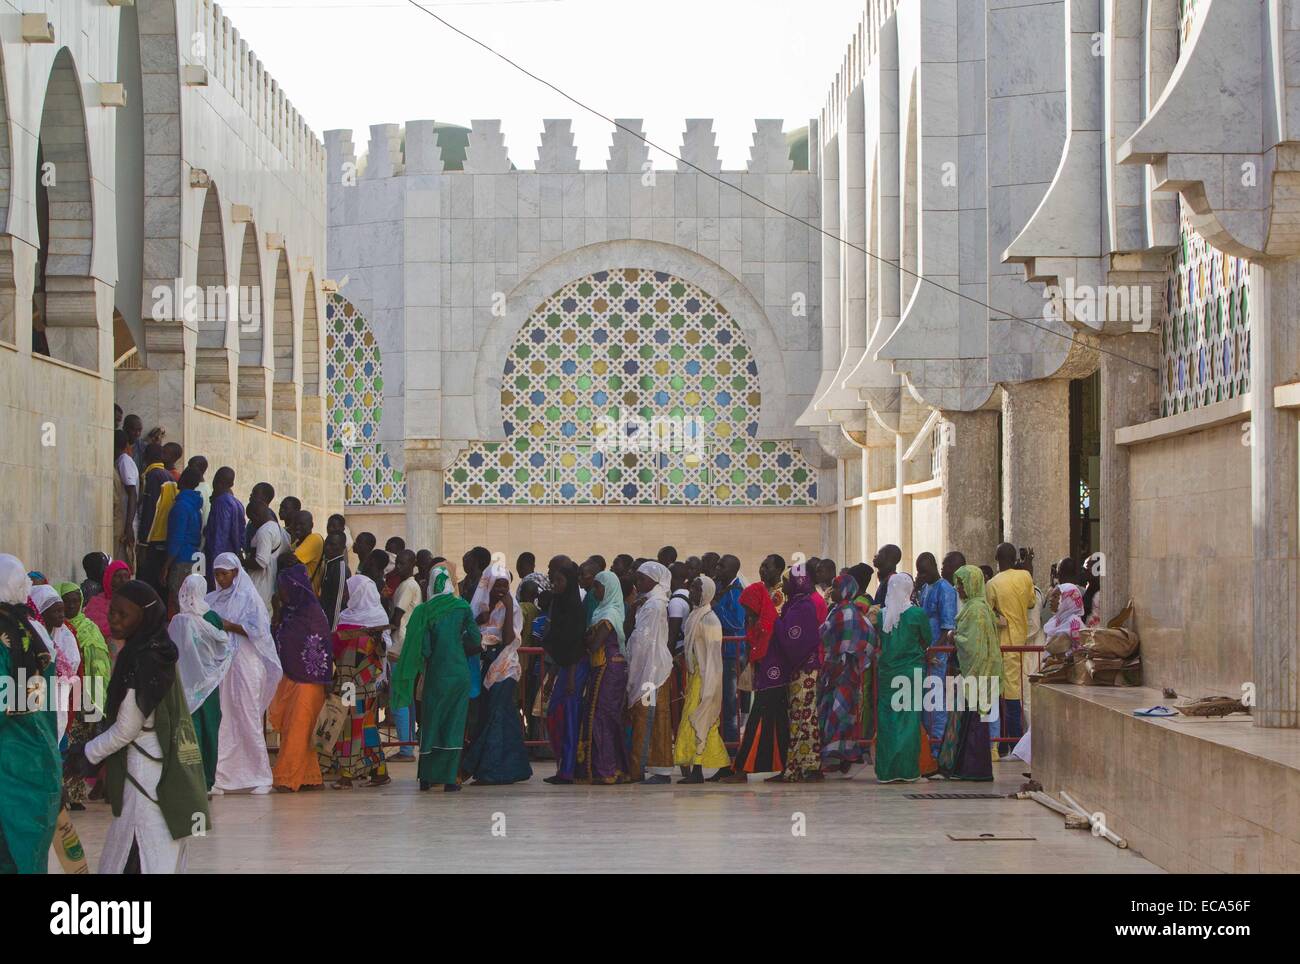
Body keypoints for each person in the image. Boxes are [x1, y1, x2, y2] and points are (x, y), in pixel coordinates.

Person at [66, 580, 209, 873]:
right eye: (112, 613)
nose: (113, 620)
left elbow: (126, 729)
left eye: (123, 614)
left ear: (144, 616)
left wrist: (87, 754)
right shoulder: (155, 650)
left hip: (146, 776)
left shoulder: (145, 659)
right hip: (150, 771)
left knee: (143, 851)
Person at [392, 566, 482, 792]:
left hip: (436, 675)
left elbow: (424, 648)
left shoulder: (425, 611)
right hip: (459, 674)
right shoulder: (461, 607)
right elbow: (476, 638)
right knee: (454, 723)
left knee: (432, 721)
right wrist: (458, 648)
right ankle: (450, 779)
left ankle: (426, 777)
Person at [207, 553, 282, 794]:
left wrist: (229, 625)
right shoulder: (212, 599)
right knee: (224, 718)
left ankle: (259, 775)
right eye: (217, 573)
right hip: (222, 666)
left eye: (224, 573)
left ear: (236, 573)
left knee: (247, 716)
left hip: (246, 664)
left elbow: (260, 630)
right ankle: (221, 776)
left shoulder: (250, 598)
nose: (220, 578)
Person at [461, 564, 532, 784]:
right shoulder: (478, 606)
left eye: (505, 584)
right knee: (498, 716)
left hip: (505, 666)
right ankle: (514, 768)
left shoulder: (513, 607)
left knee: (496, 713)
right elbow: (467, 634)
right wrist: (483, 618)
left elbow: (510, 639)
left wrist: (509, 608)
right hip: (482, 665)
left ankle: (488, 770)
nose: (501, 589)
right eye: (497, 584)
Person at [268, 562, 333, 792]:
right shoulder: (288, 612)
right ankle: (309, 777)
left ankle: (287, 778)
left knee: (298, 730)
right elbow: (276, 638)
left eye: (285, 589)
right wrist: (277, 610)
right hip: (290, 678)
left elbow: (322, 648)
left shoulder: (312, 613)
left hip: (309, 682)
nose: (282, 594)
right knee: (297, 731)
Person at [721, 559, 788, 783]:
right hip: (766, 664)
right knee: (773, 717)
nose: (762, 569)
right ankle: (773, 766)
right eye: (761, 565)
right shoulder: (760, 598)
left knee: (762, 715)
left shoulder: (778, 597)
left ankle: (743, 768)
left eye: (767, 566)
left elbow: (770, 627)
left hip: (774, 666)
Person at [169, 573, 234, 792]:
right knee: (209, 729)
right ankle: (206, 781)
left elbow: (172, 654)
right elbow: (221, 649)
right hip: (208, 685)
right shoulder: (212, 618)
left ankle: (188, 779)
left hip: (185, 686)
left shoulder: (177, 621)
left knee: (188, 729)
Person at [937, 565, 1002, 781]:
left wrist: (953, 637)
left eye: (961, 583)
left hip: (976, 674)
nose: (958, 588)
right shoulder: (976, 607)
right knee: (969, 722)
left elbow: (972, 644)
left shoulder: (976, 610)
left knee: (974, 723)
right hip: (974, 674)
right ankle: (964, 767)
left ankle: (974, 769)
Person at [326, 575, 392, 788]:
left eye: (348, 590)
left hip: (365, 681)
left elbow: (384, 649)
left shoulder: (377, 616)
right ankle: (378, 770)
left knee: (356, 726)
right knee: (357, 726)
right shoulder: (345, 615)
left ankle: (347, 774)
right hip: (346, 680)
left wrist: (376, 639)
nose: (345, 595)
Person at [871, 572, 932, 783]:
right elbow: (928, 638)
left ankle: (886, 771)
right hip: (910, 672)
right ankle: (908, 771)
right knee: (909, 721)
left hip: (887, 673)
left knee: (887, 721)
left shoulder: (881, 615)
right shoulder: (917, 614)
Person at [55, 582, 112, 806]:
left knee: (82, 742)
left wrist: (99, 693)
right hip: (68, 692)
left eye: (75, 601)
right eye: (66, 601)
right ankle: (63, 792)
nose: (71, 605)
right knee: (67, 742)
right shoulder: (57, 628)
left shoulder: (89, 628)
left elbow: (102, 662)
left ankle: (76, 794)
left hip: (89, 690)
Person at [574, 569, 630, 784]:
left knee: (602, 716)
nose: (595, 590)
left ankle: (606, 769)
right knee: (600, 715)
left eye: (598, 586)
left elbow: (594, 643)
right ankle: (610, 767)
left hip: (609, 669)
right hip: (601, 668)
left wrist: (587, 638)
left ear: (610, 589)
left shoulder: (610, 614)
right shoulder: (601, 611)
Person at [816, 571, 875, 774]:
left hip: (843, 669)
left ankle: (839, 755)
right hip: (837, 669)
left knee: (838, 711)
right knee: (836, 710)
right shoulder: (839, 610)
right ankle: (839, 755)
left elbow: (855, 639)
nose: (832, 590)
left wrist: (847, 656)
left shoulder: (846, 613)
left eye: (835, 585)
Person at [673, 574, 729, 783]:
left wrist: (710, 688)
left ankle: (697, 769)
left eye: (697, 588)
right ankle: (722, 764)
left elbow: (714, 658)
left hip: (706, 679)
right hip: (695, 675)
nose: (692, 592)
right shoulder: (695, 615)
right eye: (692, 588)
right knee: (705, 722)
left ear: (706, 592)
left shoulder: (710, 619)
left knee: (696, 720)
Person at [771, 563, 823, 782]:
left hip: (806, 670)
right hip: (798, 670)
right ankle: (800, 764)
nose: (784, 585)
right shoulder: (795, 604)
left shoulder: (804, 607)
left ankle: (805, 765)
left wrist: (775, 622)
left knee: (804, 717)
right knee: (800, 717)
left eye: (786, 581)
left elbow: (797, 638)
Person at [626, 560, 675, 784]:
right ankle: (644, 766)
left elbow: (643, 641)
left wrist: (633, 668)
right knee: (648, 718)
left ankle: (657, 769)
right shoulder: (650, 602)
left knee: (651, 719)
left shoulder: (655, 605)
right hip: (650, 669)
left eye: (642, 578)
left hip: (651, 670)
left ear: (655, 580)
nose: (637, 583)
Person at [542, 556, 589, 785]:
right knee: (554, 715)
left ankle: (568, 770)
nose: (556, 585)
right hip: (564, 669)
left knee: (567, 717)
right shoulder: (559, 605)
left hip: (574, 669)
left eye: (560, 581)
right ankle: (564, 765)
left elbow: (574, 646)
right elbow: (559, 648)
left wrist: (569, 679)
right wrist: (552, 677)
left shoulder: (574, 610)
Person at [986, 543, 1035, 757]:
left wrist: (1000, 618)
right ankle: (1011, 741)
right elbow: (1031, 603)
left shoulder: (993, 583)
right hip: (1021, 640)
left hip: (1003, 643)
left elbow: (988, 614)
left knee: (1008, 694)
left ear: (996, 558)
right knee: (1014, 690)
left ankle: (1012, 743)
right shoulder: (1025, 576)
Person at [917, 551, 960, 750]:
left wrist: (936, 650)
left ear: (934, 566)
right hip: (927, 652)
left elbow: (948, 626)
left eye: (925, 572)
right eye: (920, 573)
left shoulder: (945, 589)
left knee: (937, 702)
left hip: (939, 654)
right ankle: (929, 747)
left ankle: (939, 749)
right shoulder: (925, 588)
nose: (922, 576)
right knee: (928, 702)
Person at [386, 549, 422, 763]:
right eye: (397, 562)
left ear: (412, 564)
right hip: (406, 647)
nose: (399, 567)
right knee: (406, 699)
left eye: (403, 563)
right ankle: (407, 744)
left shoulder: (409, 585)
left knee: (399, 698)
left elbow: (397, 617)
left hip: (400, 647)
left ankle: (405, 748)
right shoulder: (406, 585)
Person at [712, 554, 746, 743]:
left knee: (730, 703)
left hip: (731, 655)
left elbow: (737, 622)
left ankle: (731, 749)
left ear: (732, 570)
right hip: (718, 653)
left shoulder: (736, 592)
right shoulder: (719, 588)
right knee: (719, 703)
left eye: (721, 566)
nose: (717, 569)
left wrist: (717, 608)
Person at [161, 466, 204, 611]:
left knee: (180, 602)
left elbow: (176, 538)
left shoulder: (181, 506)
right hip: (194, 557)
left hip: (181, 560)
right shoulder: (195, 505)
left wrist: (166, 566)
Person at [136, 443, 177, 592]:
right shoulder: (169, 476)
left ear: (146, 457)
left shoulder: (153, 476)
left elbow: (151, 509)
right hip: (165, 537)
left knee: (147, 584)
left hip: (153, 539)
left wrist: (143, 543)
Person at [202, 467, 244, 587]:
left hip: (220, 560)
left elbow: (220, 535)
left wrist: (216, 565)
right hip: (232, 559)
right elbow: (241, 534)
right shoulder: (237, 503)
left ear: (216, 481)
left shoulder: (221, 503)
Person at [245, 501, 286, 608]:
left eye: (251, 519)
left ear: (255, 515)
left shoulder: (265, 531)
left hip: (261, 583)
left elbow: (261, 562)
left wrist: (240, 561)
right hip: (268, 581)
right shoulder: (276, 527)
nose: (252, 523)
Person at [85, 559, 131, 647]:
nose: (123, 580)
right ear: (109, 578)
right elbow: (96, 628)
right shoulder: (97, 603)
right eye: (118, 576)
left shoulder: (136, 600)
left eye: (126, 576)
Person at [113, 430, 139, 569]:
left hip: (125, 522)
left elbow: (132, 493)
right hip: (124, 521)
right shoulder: (121, 460)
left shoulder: (124, 461)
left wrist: (128, 526)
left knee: (122, 565)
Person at [320, 531, 350, 629]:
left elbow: (338, 604)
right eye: (327, 544)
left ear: (342, 548)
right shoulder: (329, 564)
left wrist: (332, 633)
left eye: (333, 545)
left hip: (332, 625)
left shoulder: (340, 568)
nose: (328, 548)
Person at [291, 510, 325, 593]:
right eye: (295, 524)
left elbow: (291, 560)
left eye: (302, 524)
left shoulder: (314, 538)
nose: (297, 527)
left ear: (311, 525)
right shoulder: (296, 543)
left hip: (309, 597)